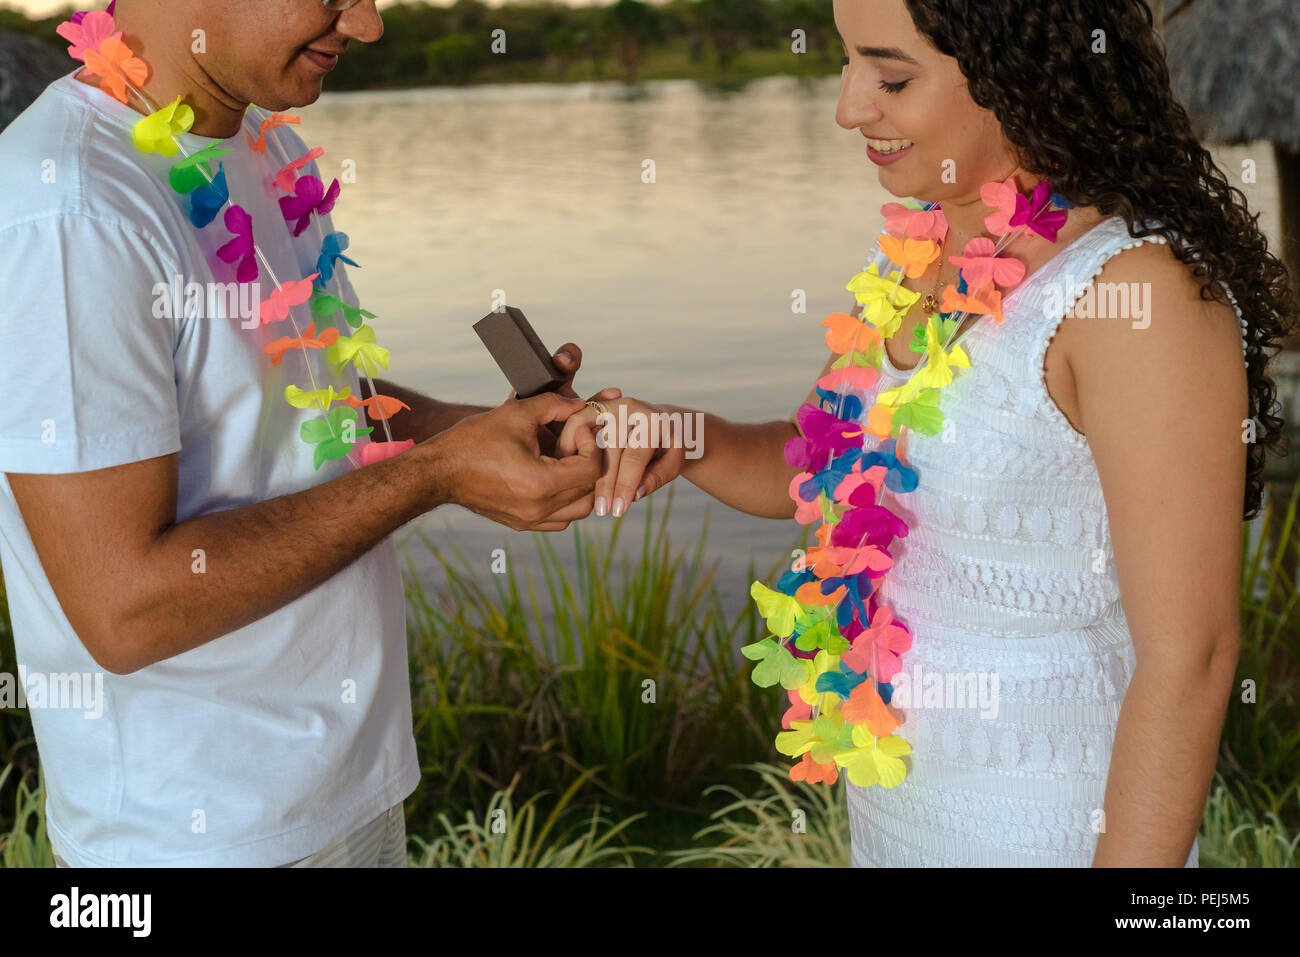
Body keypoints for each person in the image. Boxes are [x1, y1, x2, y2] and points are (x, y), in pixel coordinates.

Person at [561, 0, 1295, 866]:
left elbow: (1194, 657)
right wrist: (676, 434)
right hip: (901, 825)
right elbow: (815, 467)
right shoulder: (920, 252)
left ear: (1014, 69)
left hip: (1054, 828)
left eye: (891, 76)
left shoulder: (1137, 298)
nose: (849, 107)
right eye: (846, 64)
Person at [0, 0, 614, 866]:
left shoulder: (265, 142)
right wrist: (436, 475)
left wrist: (493, 433)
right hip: (199, 836)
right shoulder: (69, 209)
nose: (366, 26)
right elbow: (123, 607)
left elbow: (310, 396)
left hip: (348, 793)